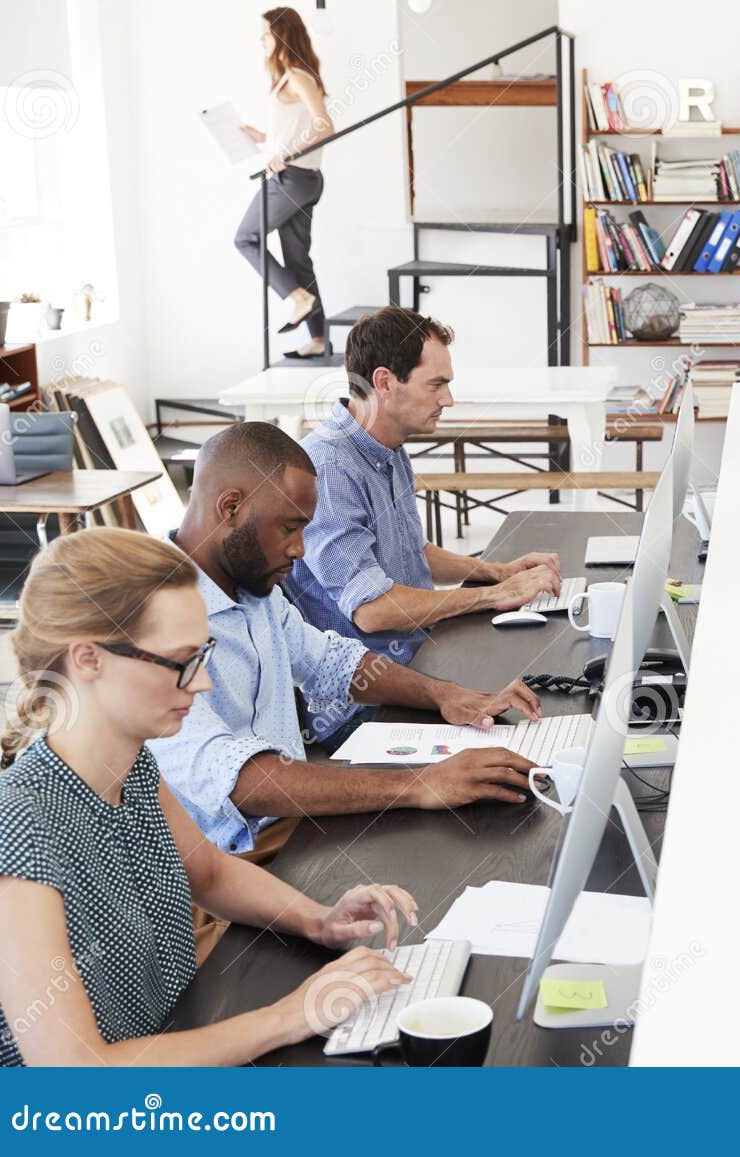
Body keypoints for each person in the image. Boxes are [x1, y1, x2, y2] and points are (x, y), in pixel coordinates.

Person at [0, 529, 415, 1066]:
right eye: (180, 661)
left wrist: (318, 920)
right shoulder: (16, 825)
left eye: (203, 657)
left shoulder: (132, 764)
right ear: (87, 659)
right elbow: (77, 1072)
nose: (203, 684)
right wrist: (291, 1015)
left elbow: (209, 873)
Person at [147, 422, 544, 881]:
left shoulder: (252, 588)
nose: (299, 549)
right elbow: (243, 781)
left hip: (290, 831)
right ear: (231, 507)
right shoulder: (151, 617)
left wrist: (445, 694)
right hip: (226, 869)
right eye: (289, 528)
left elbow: (334, 663)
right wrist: (421, 784)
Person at [285, 306, 562, 660]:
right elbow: (372, 609)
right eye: (437, 385)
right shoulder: (329, 468)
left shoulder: (389, 445)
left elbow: (413, 552)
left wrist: (498, 572)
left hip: (419, 649)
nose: (448, 399)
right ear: (384, 382)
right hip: (375, 692)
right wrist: (495, 594)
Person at [234, 8, 334, 359]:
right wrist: (261, 136)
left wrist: (286, 154)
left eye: (265, 34)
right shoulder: (283, 79)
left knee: (245, 238)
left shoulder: (297, 76)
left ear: (282, 35)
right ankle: (319, 339)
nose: (260, 40)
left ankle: (296, 297)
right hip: (297, 178)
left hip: (293, 179)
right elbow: (290, 129)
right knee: (298, 260)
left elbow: (324, 125)